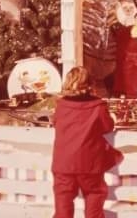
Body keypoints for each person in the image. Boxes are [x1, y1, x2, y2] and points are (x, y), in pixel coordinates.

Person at [52, 66, 124, 218]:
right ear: (90, 84)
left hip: (63, 164)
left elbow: (56, 122)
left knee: (63, 203)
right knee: (94, 196)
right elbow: (107, 127)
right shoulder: (98, 105)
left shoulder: (60, 105)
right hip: (90, 164)